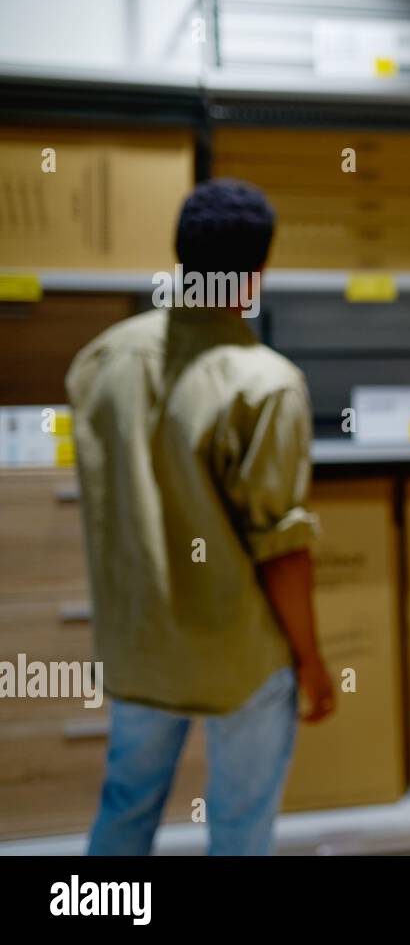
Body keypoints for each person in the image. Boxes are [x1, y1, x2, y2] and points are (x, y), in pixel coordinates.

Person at [66, 178, 335, 856]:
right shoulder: (266, 383)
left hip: (139, 640)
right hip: (236, 652)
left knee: (124, 812)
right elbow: (280, 548)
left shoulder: (103, 358)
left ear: (180, 254)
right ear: (258, 272)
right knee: (241, 828)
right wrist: (311, 661)